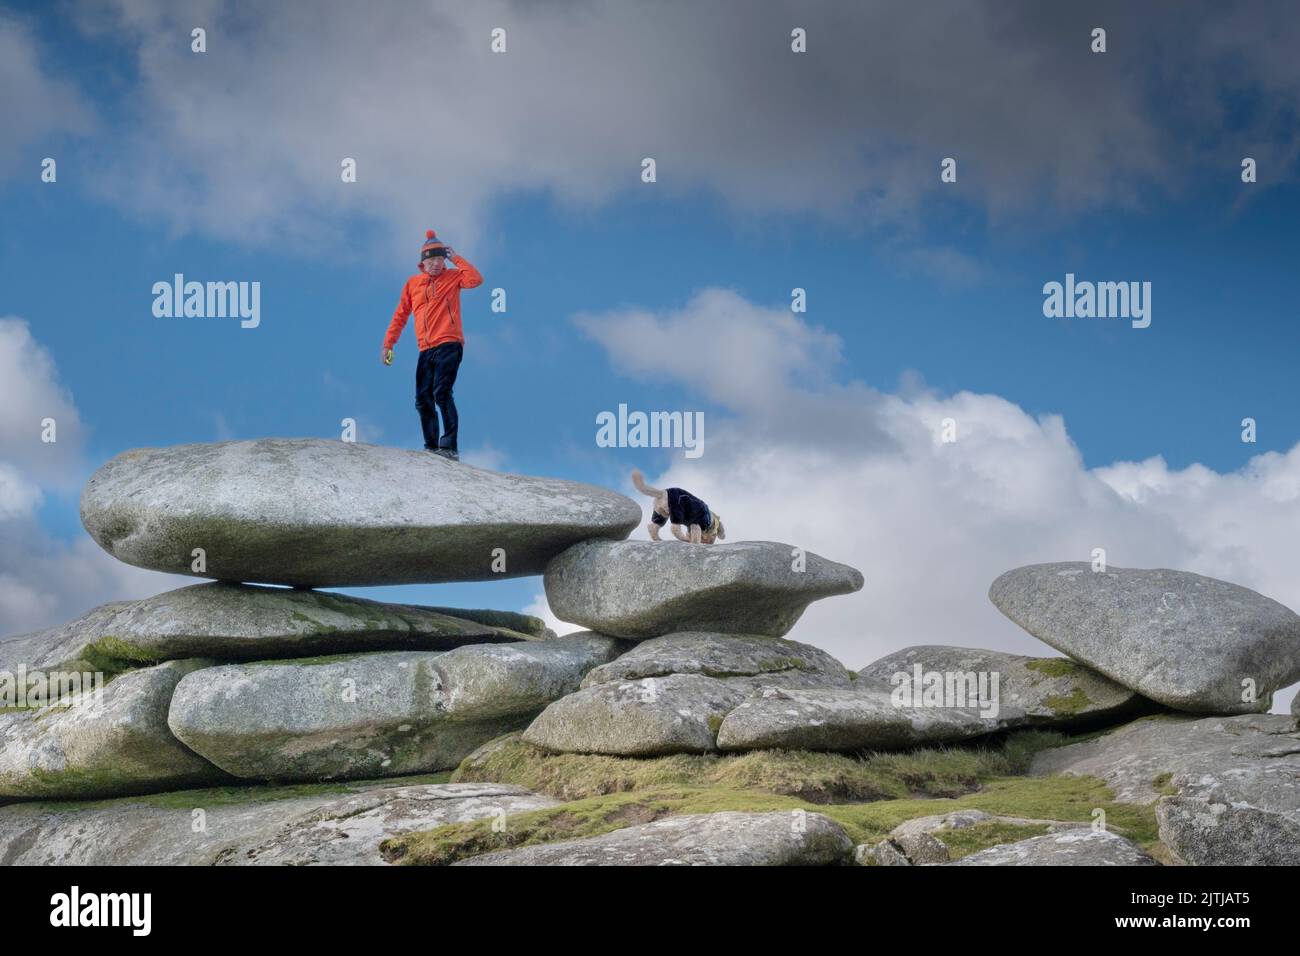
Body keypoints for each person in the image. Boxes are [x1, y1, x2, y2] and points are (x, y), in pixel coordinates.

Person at [381, 229, 483, 460]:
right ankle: (431, 447)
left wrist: (455, 258)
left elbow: (476, 279)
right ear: (423, 263)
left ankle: (448, 447)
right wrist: (389, 344)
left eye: (440, 259)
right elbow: (400, 315)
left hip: (449, 344)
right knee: (422, 399)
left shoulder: (454, 277)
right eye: (431, 260)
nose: (436, 264)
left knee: (441, 393)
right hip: (425, 350)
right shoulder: (412, 285)